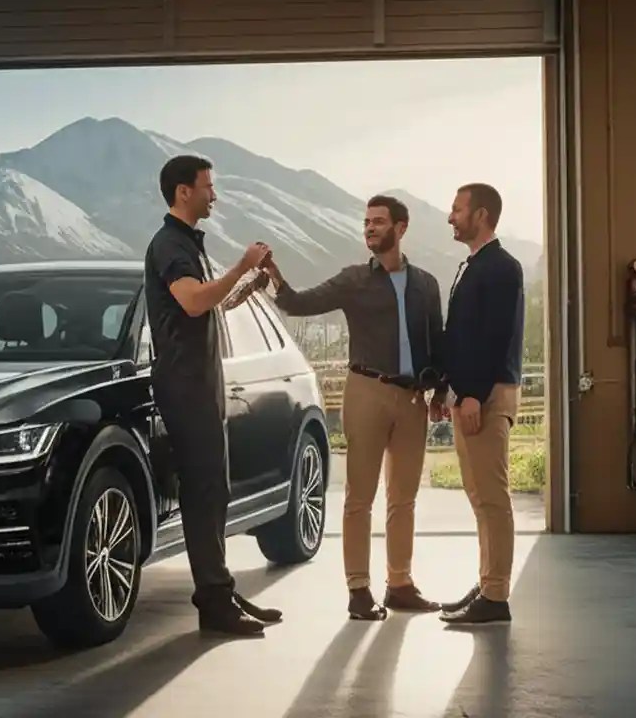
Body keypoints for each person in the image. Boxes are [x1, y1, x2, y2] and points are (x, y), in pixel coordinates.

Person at [261, 194, 448, 621]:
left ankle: (399, 583)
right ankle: (359, 590)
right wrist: (274, 276)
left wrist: (440, 390)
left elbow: (437, 343)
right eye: (366, 222)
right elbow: (298, 303)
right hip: (366, 391)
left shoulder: (426, 284)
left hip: (414, 398)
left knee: (404, 498)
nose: (369, 228)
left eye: (379, 221)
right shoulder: (353, 280)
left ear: (401, 228)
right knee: (359, 498)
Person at [144, 154, 283, 636]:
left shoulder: (185, 244)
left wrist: (250, 281)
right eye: (208, 186)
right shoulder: (169, 245)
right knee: (204, 495)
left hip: (202, 385)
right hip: (185, 387)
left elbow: (211, 304)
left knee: (214, 493)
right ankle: (215, 604)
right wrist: (241, 261)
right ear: (184, 191)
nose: (214, 194)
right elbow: (192, 299)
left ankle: (219, 590)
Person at [437, 182, 524, 625]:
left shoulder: (502, 268)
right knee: (479, 496)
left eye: (457, 210)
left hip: (486, 396)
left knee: (492, 496)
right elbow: (461, 336)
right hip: (470, 393)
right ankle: (489, 582)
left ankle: (496, 596)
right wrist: (446, 389)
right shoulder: (473, 266)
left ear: (482, 214)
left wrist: (472, 393)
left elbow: (495, 337)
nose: (451, 217)